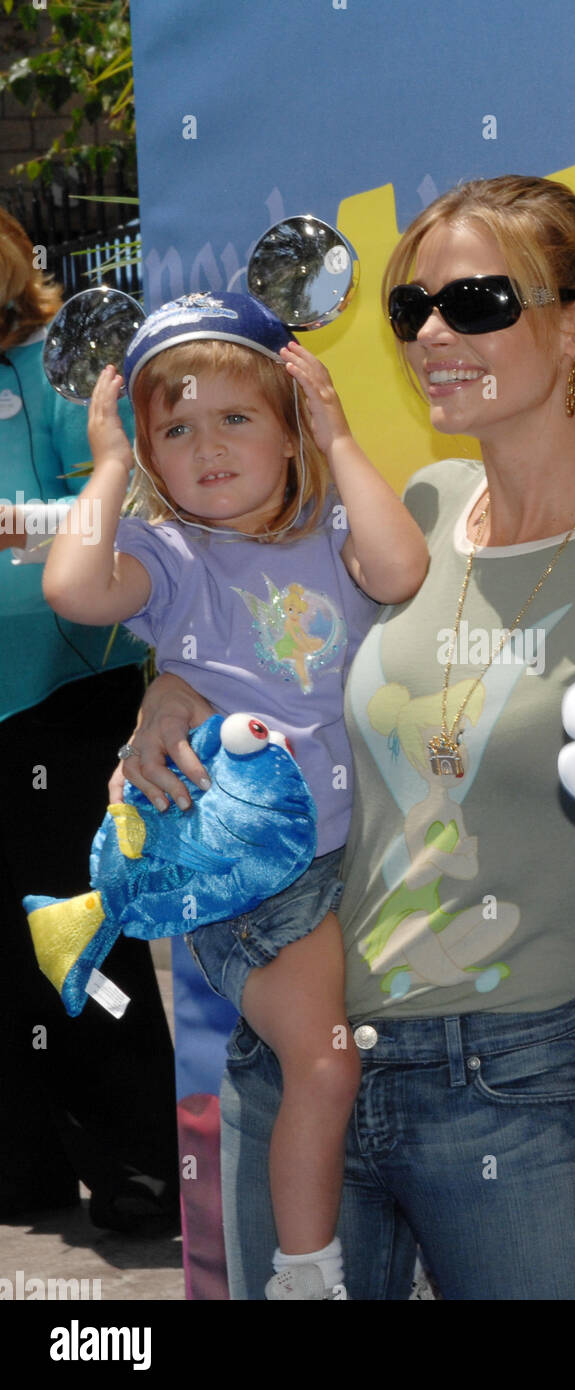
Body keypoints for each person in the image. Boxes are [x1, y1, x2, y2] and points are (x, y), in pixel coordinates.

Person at [115, 176, 575, 1299]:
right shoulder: (422, 509)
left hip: (507, 1083)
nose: (435, 334)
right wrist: (169, 688)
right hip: (300, 1059)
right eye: (412, 309)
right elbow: (254, 636)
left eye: (479, 300)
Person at [41, 289, 428, 1299]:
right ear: (153, 455)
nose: (207, 448)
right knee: (329, 1064)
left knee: (360, 1064)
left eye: (237, 418)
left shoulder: (337, 527)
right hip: (256, 879)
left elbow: (401, 566)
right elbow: (74, 591)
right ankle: (305, 1272)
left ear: (288, 431)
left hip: (357, 860)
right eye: (175, 429)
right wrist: (111, 462)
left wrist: (337, 434)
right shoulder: (171, 559)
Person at [0, 206, 179, 1233]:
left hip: (67, 695)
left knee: (81, 930)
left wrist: (16, 525)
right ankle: (20, 1167)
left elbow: (127, 511)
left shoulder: (63, 365)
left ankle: (138, 1165)